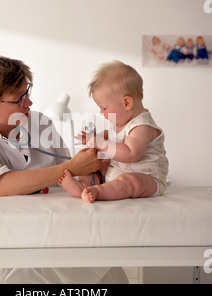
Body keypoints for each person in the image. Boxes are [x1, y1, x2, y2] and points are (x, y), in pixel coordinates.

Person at [0, 55, 129, 284]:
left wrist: (94, 167)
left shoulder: (39, 123)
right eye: (19, 99)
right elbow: (1, 185)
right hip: (3, 240)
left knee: (106, 267)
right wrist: (72, 166)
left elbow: (70, 178)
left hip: (54, 228)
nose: (29, 104)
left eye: (28, 93)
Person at [59, 60, 169, 203]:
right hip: (114, 173)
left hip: (147, 177)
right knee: (94, 165)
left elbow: (130, 154)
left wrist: (101, 143)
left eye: (104, 108)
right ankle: (83, 186)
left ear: (126, 103)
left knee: (130, 182)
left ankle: (97, 191)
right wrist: (95, 137)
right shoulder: (120, 121)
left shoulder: (143, 126)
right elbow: (111, 134)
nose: (101, 112)